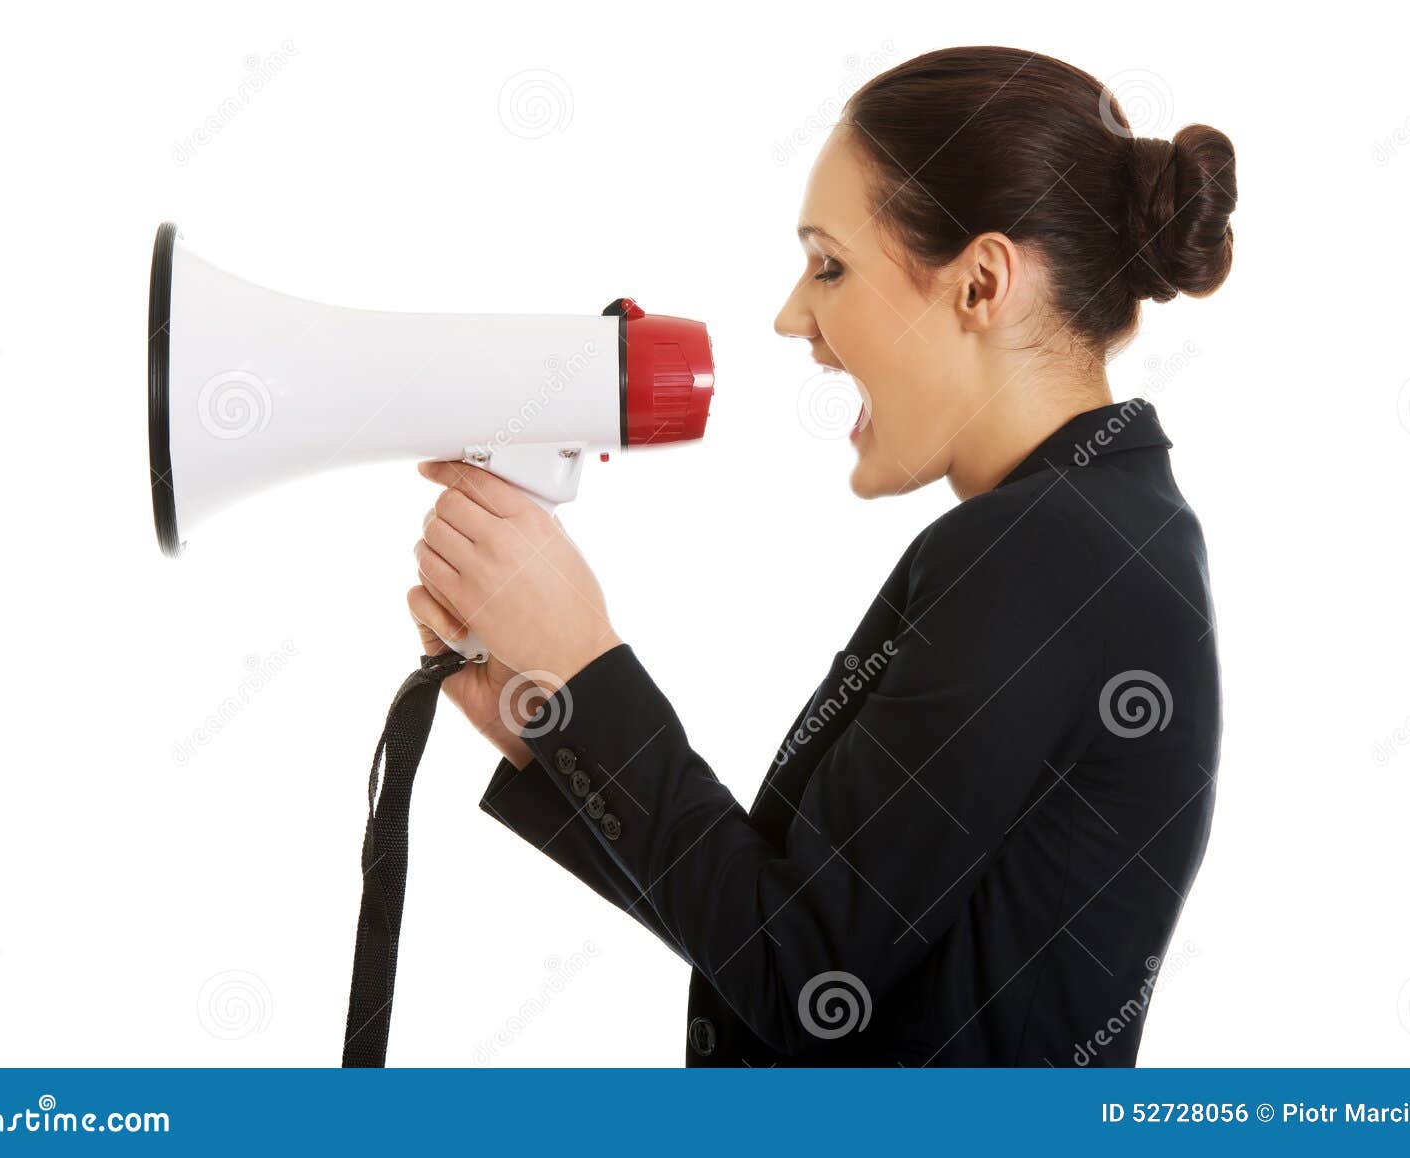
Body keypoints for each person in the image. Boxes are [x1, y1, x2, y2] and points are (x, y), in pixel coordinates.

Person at [407, 45, 1236, 1066]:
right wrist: (559, 736)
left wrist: (584, 672)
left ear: (981, 282)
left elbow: (805, 977)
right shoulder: (1100, 529)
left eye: (830, 265)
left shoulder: (1046, 554)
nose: (793, 316)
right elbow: (810, 943)